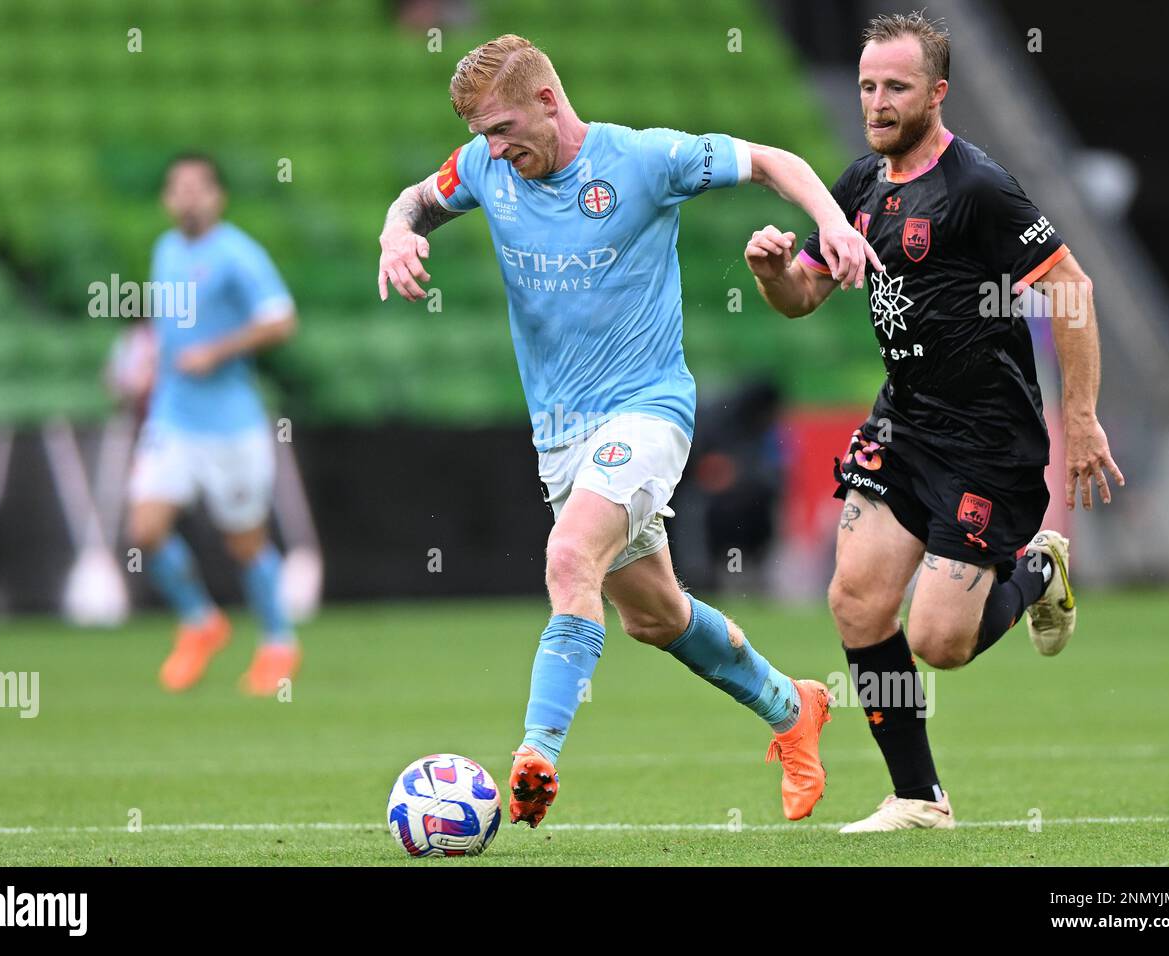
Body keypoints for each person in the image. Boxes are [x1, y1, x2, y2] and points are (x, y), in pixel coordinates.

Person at [378, 34, 883, 827]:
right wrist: (396, 232)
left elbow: (772, 159)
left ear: (549, 101)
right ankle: (795, 709)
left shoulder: (645, 160)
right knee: (655, 617)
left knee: (570, 556)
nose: (494, 149)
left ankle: (536, 752)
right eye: (482, 135)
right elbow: (417, 198)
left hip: (646, 413)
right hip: (560, 437)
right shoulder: (483, 168)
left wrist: (833, 222)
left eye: (504, 129)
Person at [745, 12, 1124, 831]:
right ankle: (919, 798)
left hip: (988, 444)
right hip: (906, 425)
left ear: (938, 93)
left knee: (940, 641)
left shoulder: (978, 188)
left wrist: (1082, 419)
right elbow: (805, 297)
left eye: (897, 87)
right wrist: (775, 272)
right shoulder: (858, 186)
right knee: (854, 601)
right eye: (868, 86)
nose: (877, 102)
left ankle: (1038, 572)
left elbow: (1073, 290)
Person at [127, 153, 301, 696]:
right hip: (173, 417)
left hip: (231, 425)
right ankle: (201, 621)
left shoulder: (238, 254)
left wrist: (217, 352)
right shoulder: (165, 250)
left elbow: (281, 319)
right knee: (145, 530)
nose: (188, 197)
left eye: (199, 187)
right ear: (165, 199)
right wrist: (151, 359)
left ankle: (277, 642)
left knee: (244, 543)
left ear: (217, 196)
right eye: (177, 187)